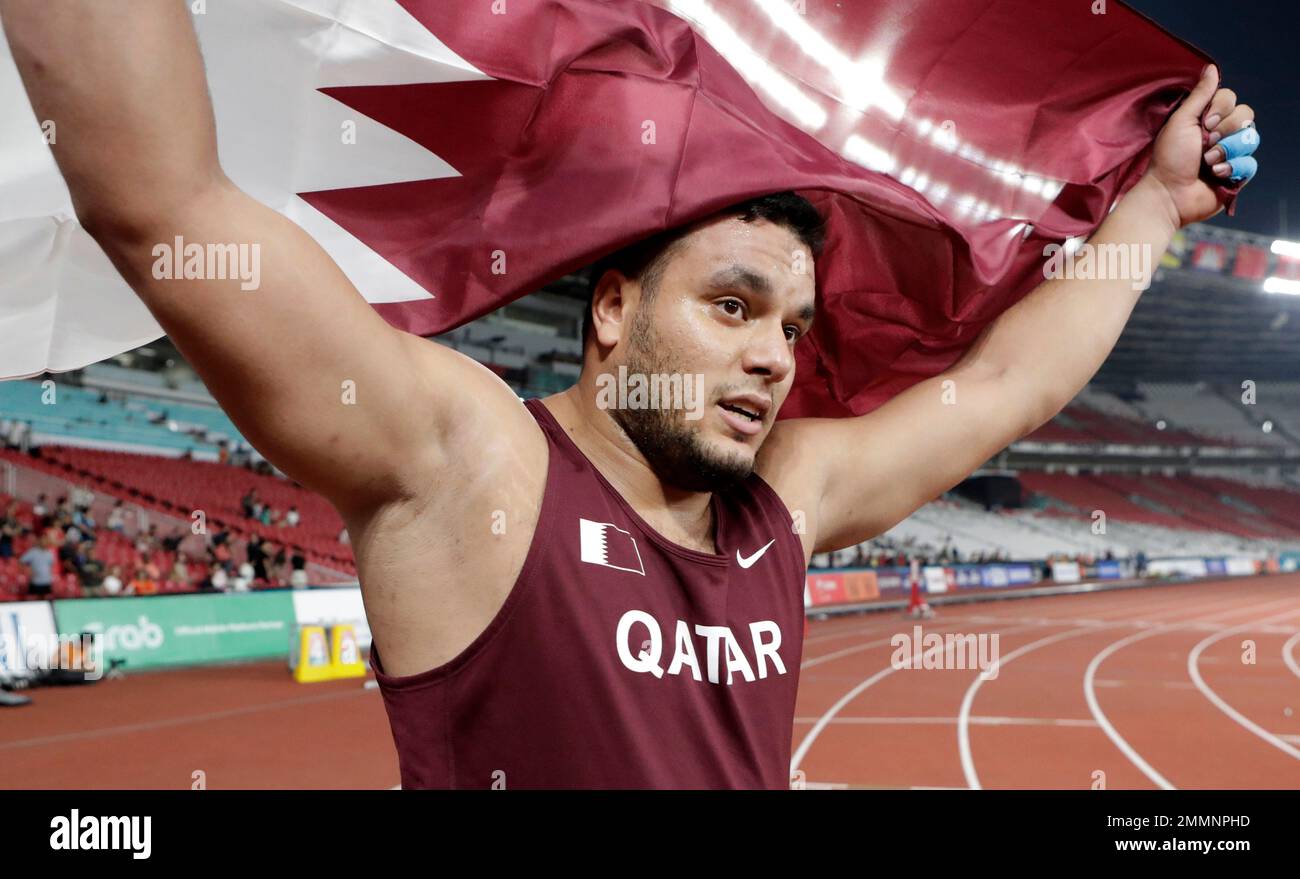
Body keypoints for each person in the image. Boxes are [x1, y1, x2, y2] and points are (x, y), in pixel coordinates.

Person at [2, 5, 1258, 788]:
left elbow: (1005, 383)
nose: (774, 356)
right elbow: (163, 199)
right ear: (612, 312)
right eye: (730, 306)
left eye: (792, 326)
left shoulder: (785, 502)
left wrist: (1148, 206)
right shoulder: (473, 467)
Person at [19, 533, 56, 599]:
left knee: (47, 600)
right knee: (34, 601)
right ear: (39, 541)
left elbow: (51, 566)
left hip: (47, 581)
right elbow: (21, 561)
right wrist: (26, 571)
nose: (44, 542)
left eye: (45, 541)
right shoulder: (33, 552)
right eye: (42, 540)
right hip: (36, 581)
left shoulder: (49, 553)